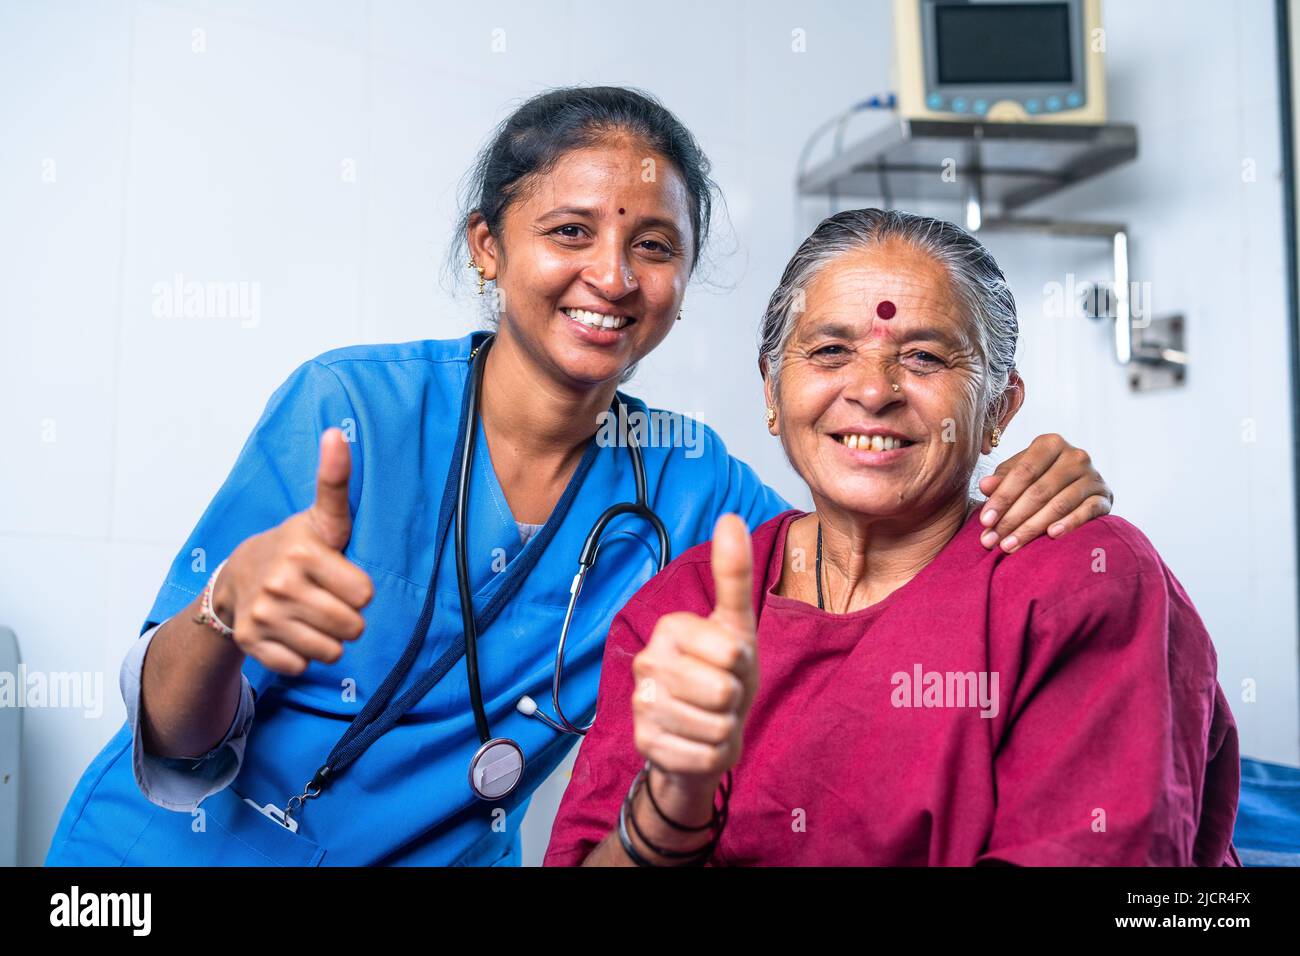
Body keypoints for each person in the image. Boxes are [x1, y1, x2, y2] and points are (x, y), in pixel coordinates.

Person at [46, 90, 1113, 867]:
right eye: (569, 232)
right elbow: (179, 735)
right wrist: (225, 610)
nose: (611, 276)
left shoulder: (691, 482)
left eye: (653, 244)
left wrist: (1019, 475)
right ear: (487, 247)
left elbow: (875, 545)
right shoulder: (351, 410)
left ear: (683, 284)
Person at [544, 208, 1241, 867]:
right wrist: (667, 809)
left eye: (926, 359)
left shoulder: (1082, 580)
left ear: (998, 409)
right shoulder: (687, 606)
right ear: (771, 392)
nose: (874, 391)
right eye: (830, 350)